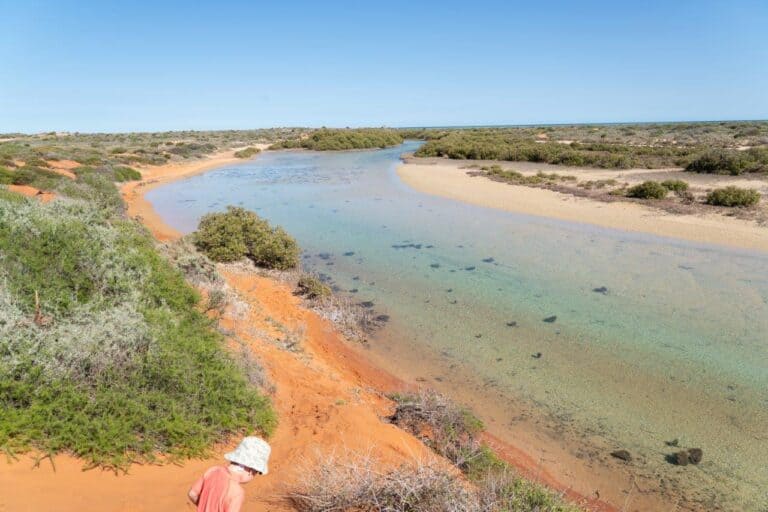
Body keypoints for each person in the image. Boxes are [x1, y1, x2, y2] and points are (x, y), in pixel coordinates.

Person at [188, 437, 271, 512]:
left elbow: (192, 494)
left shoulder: (213, 470)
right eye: (257, 472)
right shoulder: (237, 492)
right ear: (251, 470)